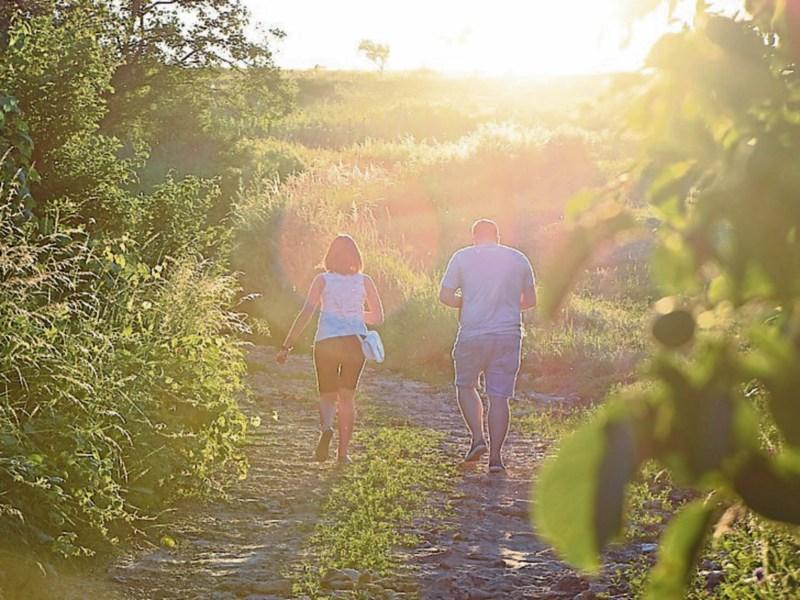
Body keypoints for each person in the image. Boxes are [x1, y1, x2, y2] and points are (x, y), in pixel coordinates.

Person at [276, 234, 384, 464]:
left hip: (326, 341)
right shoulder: (365, 281)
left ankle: (326, 428)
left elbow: (306, 313)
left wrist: (286, 345)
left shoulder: (322, 280)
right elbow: (378, 317)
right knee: (347, 398)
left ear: (330, 256)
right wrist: (355, 314)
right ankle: (343, 454)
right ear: (356, 256)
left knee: (327, 396)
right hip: (355, 343)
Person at [439, 219, 537, 473]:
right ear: (498, 236)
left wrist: (466, 303)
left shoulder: (462, 257)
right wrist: (508, 304)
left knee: (465, 385)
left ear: (474, 237)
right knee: (499, 397)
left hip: (473, 333)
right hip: (508, 335)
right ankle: (495, 459)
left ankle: (477, 438)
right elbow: (530, 301)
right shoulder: (518, 259)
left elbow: (445, 296)